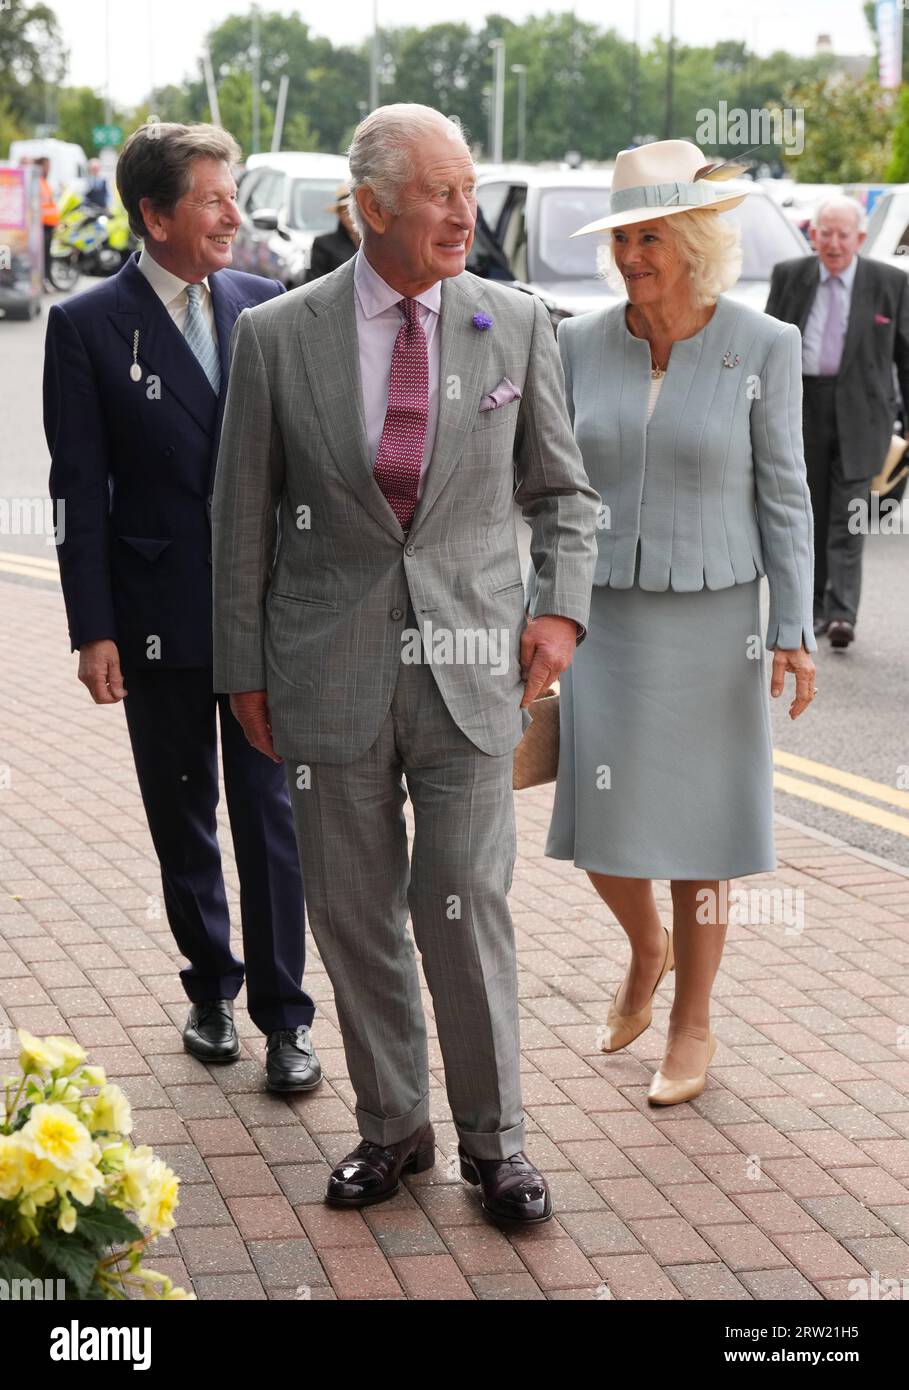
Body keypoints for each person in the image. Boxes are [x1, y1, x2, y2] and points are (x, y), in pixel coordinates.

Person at [212, 103, 599, 1223]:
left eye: (466, 189)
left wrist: (560, 615)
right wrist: (243, 669)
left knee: (464, 899)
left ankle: (497, 1144)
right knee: (350, 905)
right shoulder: (277, 335)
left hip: (475, 668)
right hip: (320, 673)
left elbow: (564, 496)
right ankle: (394, 1128)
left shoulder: (515, 322)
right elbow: (240, 518)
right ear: (371, 207)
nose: (459, 211)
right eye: (436, 192)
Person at [531, 139, 816, 1107]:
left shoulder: (763, 346)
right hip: (603, 614)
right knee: (603, 822)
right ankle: (644, 947)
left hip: (717, 619)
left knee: (702, 831)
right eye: (624, 238)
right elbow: (555, 490)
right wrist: (541, 604)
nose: (633, 255)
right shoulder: (577, 341)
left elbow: (787, 495)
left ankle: (694, 1017)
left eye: (652, 236)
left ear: (695, 240)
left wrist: (793, 626)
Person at [43, 122, 322, 1094]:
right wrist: (93, 628)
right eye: (212, 198)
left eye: (233, 193)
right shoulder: (85, 326)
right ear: (154, 215)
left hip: (262, 617)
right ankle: (210, 987)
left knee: (270, 815)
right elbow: (78, 489)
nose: (233, 215)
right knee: (183, 814)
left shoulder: (263, 301)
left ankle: (287, 1017)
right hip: (155, 612)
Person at [766, 195, 909, 649]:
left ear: (860, 239)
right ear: (814, 235)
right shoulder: (790, 275)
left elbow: (906, 357)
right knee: (809, 511)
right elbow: (766, 343)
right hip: (802, 406)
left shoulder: (890, 282)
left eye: (842, 234)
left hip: (863, 413)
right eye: (824, 232)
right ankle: (814, 608)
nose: (833, 242)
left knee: (849, 515)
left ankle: (842, 614)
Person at [303, 183, 359, 282]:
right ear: (339, 215)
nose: (351, 216)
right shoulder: (323, 244)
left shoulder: (376, 243)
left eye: (355, 210)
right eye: (346, 211)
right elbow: (314, 284)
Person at [37, 156, 58, 291]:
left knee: (47, 256)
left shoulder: (44, 182)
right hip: (41, 226)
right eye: (46, 166)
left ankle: (47, 279)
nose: (48, 169)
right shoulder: (38, 182)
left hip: (49, 225)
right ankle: (43, 281)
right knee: (43, 257)